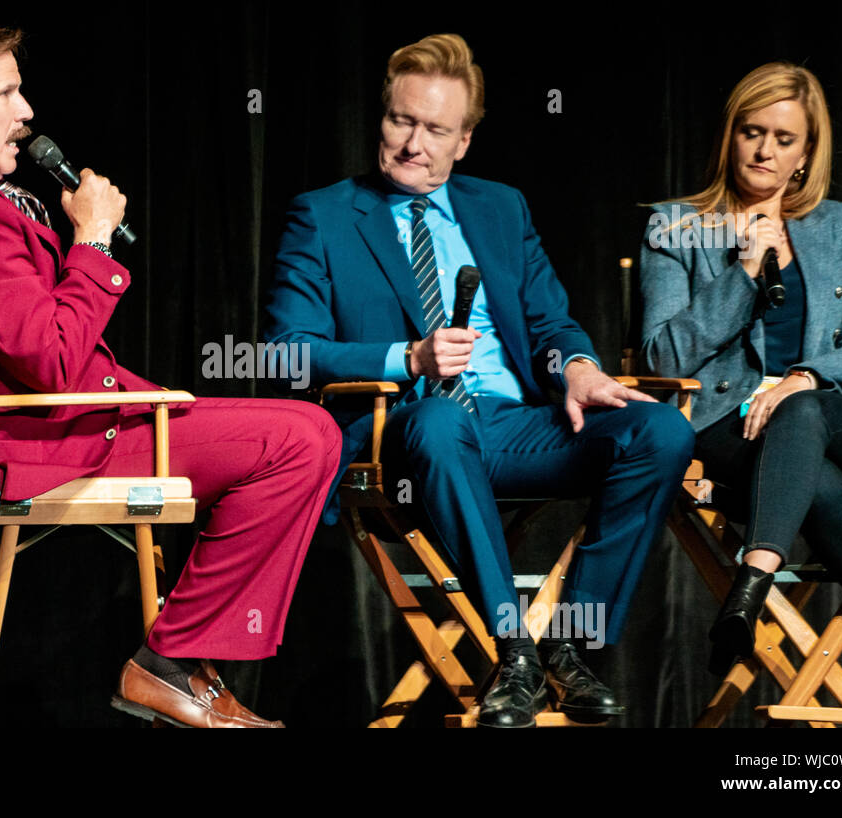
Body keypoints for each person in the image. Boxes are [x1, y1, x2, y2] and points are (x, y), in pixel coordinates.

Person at [0, 17, 342, 728]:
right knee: (304, 438)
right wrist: (90, 240)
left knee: (299, 429)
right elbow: (51, 358)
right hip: (42, 441)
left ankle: (181, 663)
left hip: (41, 426)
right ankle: (171, 663)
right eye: (9, 94)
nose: (27, 114)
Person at [264, 33, 695, 727]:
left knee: (660, 430)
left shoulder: (500, 207)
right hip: (406, 431)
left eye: (435, 129)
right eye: (401, 120)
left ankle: (568, 643)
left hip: (515, 425)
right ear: (381, 118)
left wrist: (577, 368)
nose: (413, 143)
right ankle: (513, 645)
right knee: (440, 418)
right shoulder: (324, 215)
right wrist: (407, 358)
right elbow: (288, 350)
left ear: (463, 141)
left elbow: (551, 323)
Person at [640, 62, 842, 693]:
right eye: (751, 131)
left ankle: (745, 592)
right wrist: (741, 272)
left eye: (784, 139)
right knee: (811, 483)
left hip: (841, 419)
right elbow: (663, 358)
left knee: (803, 411)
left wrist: (805, 376)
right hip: (728, 429)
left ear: (806, 154)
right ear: (730, 135)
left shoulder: (830, 224)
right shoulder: (674, 226)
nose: (763, 150)